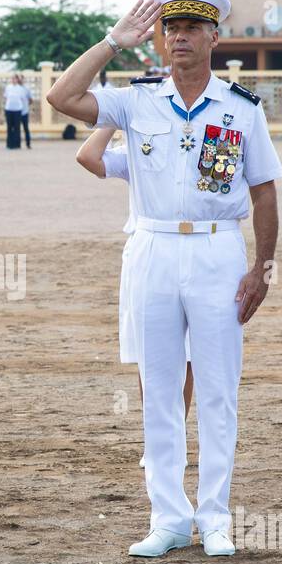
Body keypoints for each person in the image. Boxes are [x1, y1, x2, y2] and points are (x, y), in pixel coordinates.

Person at [47, 0, 282, 559]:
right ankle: (169, 517)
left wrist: (262, 268)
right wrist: (112, 41)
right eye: (169, 28)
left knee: (219, 388)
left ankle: (217, 517)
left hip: (216, 251)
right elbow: (60, 97)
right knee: (157, 389)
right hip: (151, 249)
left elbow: (265, 194)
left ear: (214, 37)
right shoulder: (136, 100)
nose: (179, 37)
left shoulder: (242, 108)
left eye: (192, 27)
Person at [75, 127, 193, 420]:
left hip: (196, 250)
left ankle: (175, 430)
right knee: (150, 351)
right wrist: (114, 119)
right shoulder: (140, 150)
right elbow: (88, 157)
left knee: (188, 353)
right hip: (148, 253)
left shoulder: (190, 140)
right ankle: (157, 437)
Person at [3, 73, 33, 149]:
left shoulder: (21, 89)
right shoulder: (8, 87)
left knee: (18, 128)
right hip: (9, 109)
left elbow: (25, 99)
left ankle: (18, 144)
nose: (14, 80)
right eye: (13, 78)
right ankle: (10, 144)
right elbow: (6, 98)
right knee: (10, 128)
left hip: (19, 110)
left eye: (15, 79)